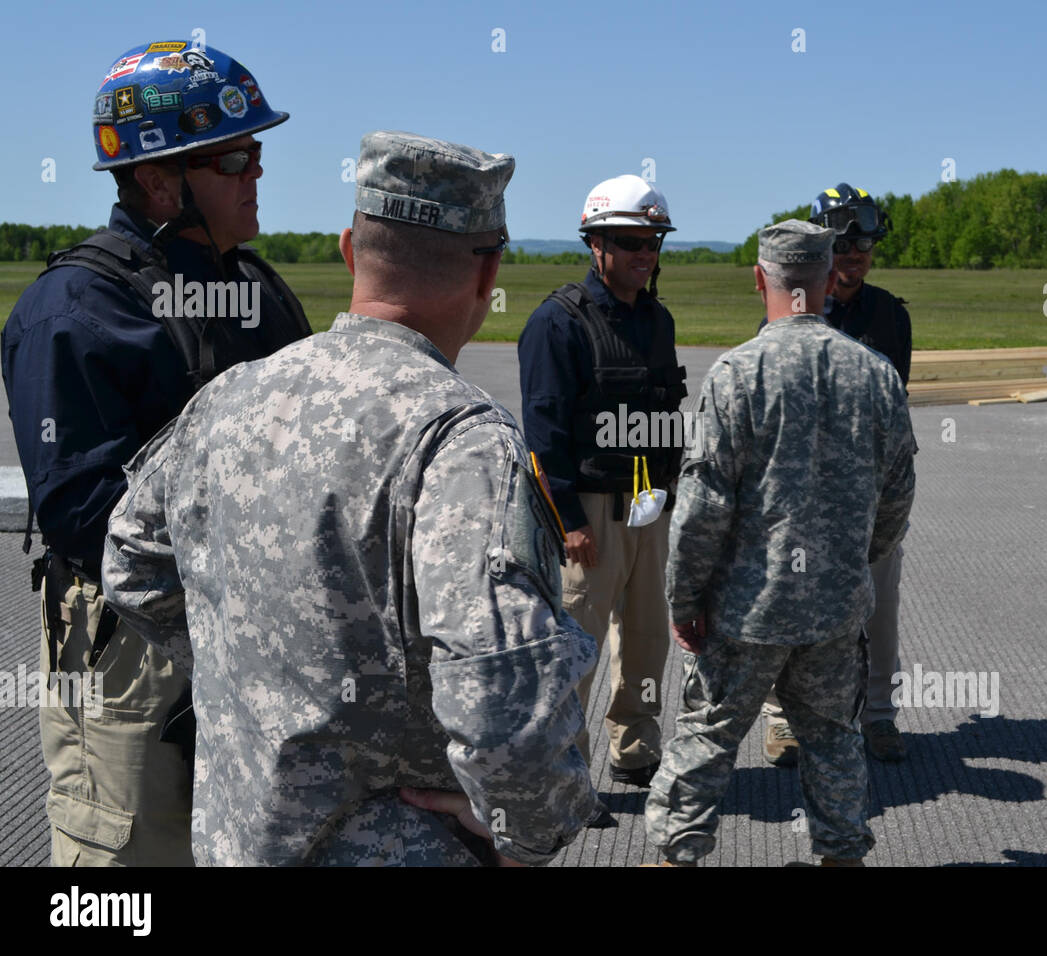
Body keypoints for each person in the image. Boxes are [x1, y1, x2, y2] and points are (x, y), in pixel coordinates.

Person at [101, 131, 598, 866]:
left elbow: (131, 566)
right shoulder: (461, 439)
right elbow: (505, 700)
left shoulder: (228, 397)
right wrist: (524, 832)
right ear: (488, 268)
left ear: (347, 250)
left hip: (240, 840)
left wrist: (257, 682)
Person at [1, 40, 311, 866]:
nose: (257, 174)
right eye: (237, 157)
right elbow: (83, 514)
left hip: (258, 630)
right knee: (130, 857)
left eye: (257, 154)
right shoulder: (74, 309)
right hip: (130, 642)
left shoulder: (256, 291)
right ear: (158, 179)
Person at [644, 220, 916, 866]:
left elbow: (702, 506)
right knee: (833, 744)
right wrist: (854, 562)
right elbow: (899, 494)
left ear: (761, 280)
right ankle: (841, 857)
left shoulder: (737, 375)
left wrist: (684, 600)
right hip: (832, 615)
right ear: (825, 281)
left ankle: (675, 857)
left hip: (745, 614)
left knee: (706, 742)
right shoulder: (875, 376)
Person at [516, 174, 688, 790]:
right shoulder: (557, 323)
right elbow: (544, 435)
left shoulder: (658, 320)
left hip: (649, 504)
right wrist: (570, 521)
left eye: (653, 242)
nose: (645, 254)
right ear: (596, 243)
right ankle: (564, 770)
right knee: (576, 648)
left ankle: (636, 747)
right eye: (630, 240)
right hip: (588, 512)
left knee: (645, 643)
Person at [757, 183, 915, 767]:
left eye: (864, 247)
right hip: (801, 498)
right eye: (844, 247)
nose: (855, 258)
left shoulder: (889, 316)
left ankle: (878, 716)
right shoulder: (793, 310)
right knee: (790, 605)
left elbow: (893, 413)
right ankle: (782, 720)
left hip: (868, 495)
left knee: (880, 610)